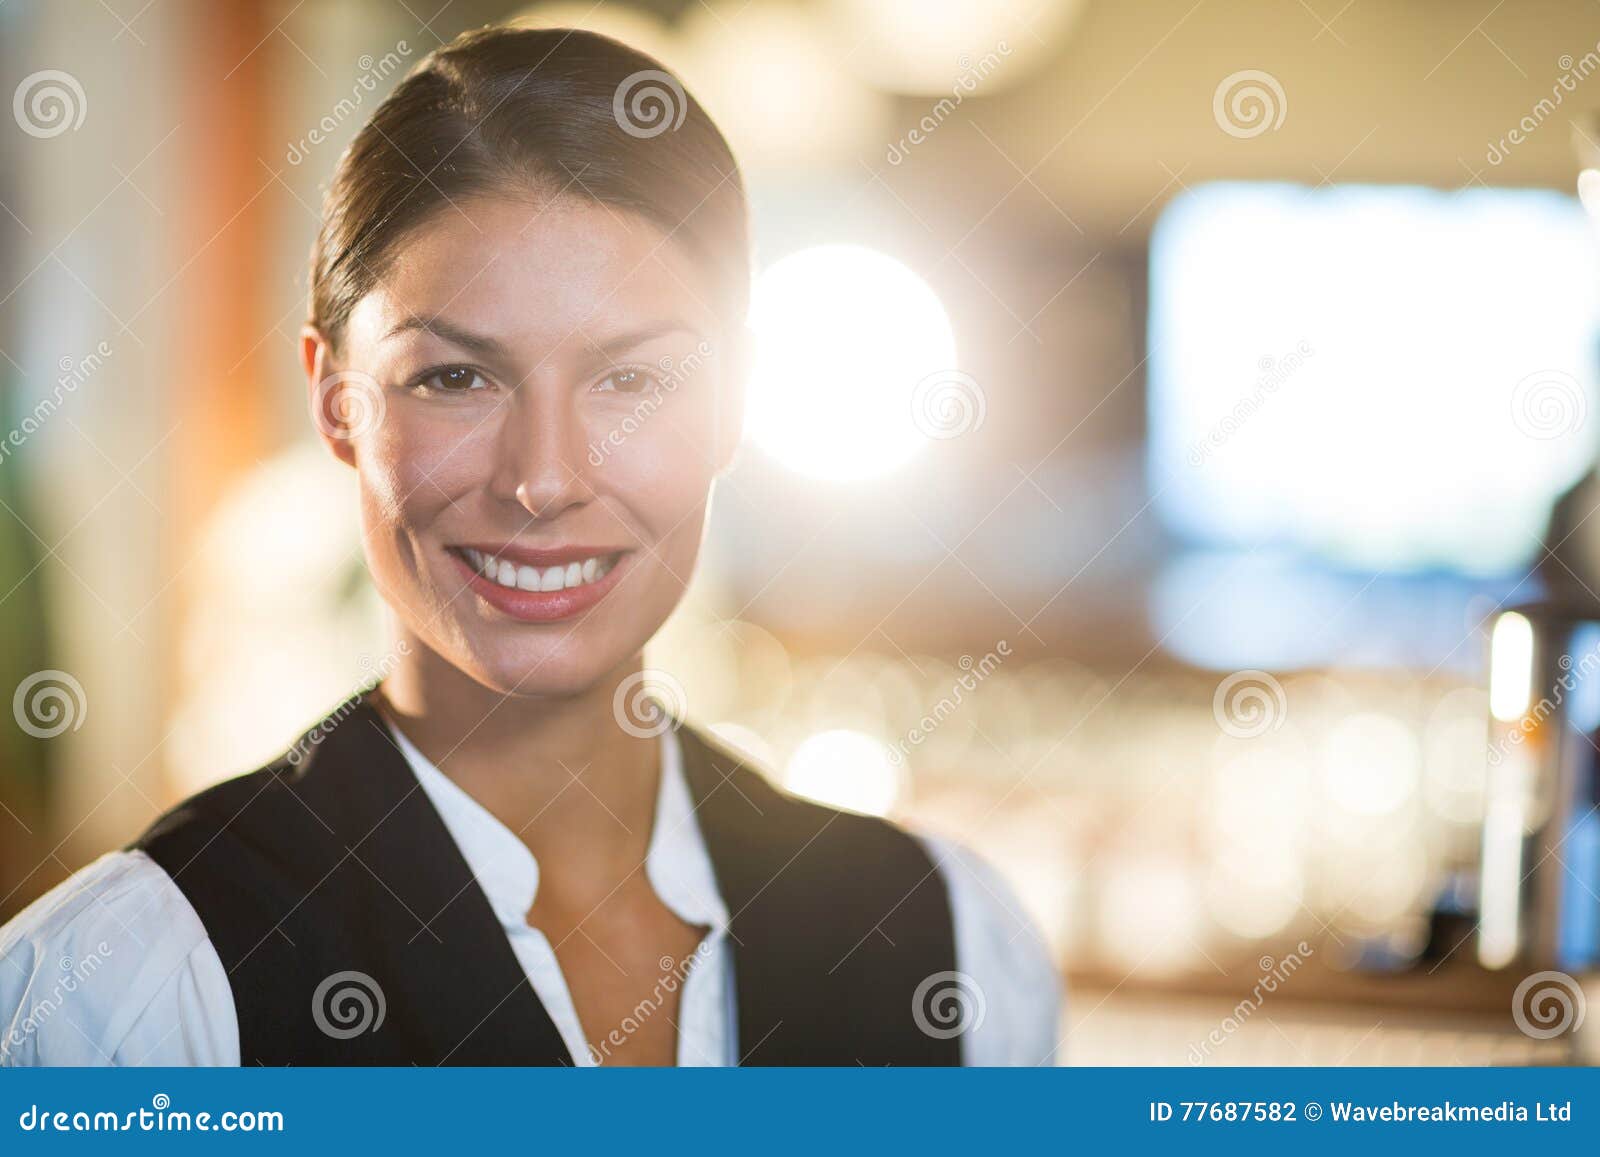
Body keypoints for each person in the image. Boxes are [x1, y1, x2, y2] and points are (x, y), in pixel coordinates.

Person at [0, 25, 1058, 1067]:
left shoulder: (950, 949)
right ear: (335, 399)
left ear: (735, 402)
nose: (543, 479)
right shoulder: (119, 1002)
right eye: (455, 377)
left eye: (631, 379)